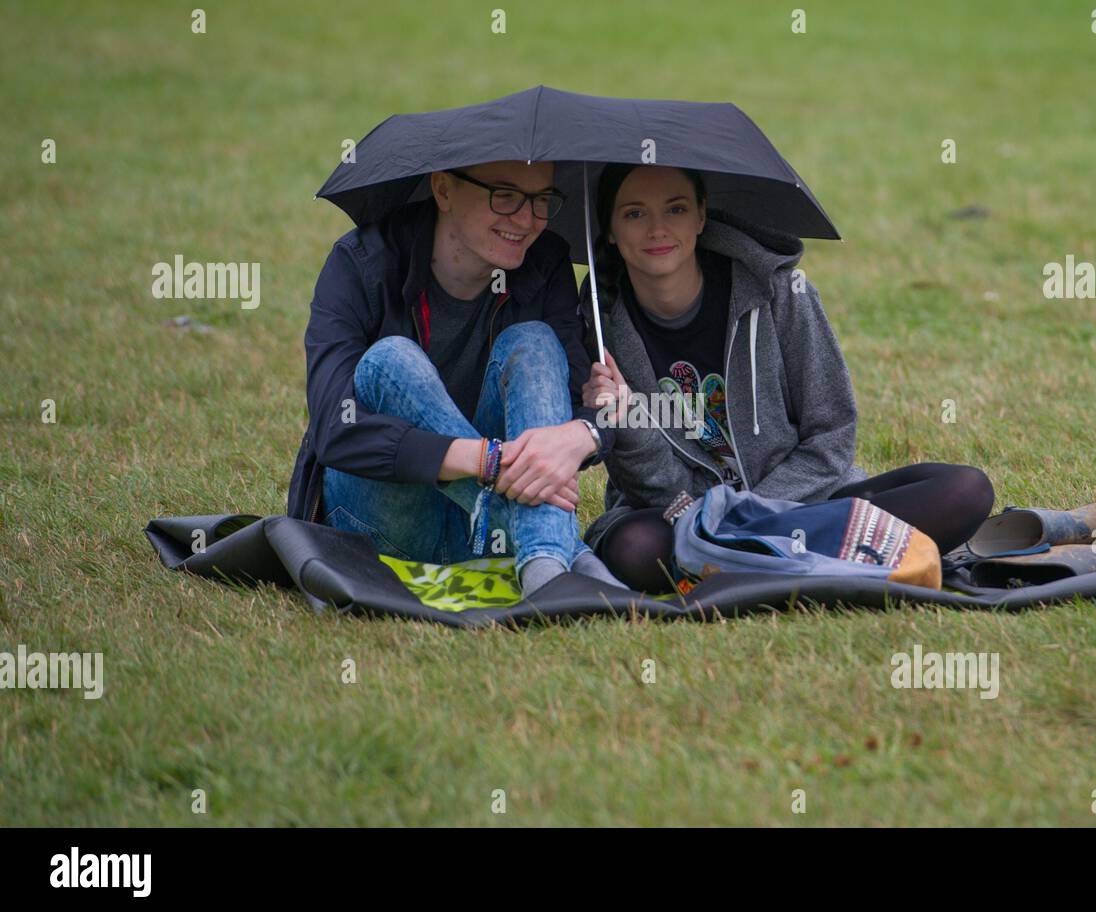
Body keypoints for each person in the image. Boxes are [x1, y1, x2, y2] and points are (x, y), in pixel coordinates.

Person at [580, 164, 995, 592]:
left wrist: (756, 513)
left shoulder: (782, 292)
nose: (657, 229)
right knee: (634, 546)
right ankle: (831, 561)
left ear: (701, 216)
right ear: (608, 229)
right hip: (680, 516)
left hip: (804, 503)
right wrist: (624, 421)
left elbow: (831, 433)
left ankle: (741, 564)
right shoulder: (599, 321)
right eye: (633, 214)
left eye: (676, 209)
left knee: (964, 490)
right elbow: (649, 487)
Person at [287, 160, 627, 597]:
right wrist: (484, 459)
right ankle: (560, 557)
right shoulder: (362, 262)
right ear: (443, 190)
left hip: (485, 539)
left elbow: (586, 402)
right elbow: (335, 429)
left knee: (536, 342)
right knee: (391, 359)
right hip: (383, 529)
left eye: (542, 200)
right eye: (504, 196)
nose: (526, 220)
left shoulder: (545, 263)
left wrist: (589, 432)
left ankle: (545, 562)